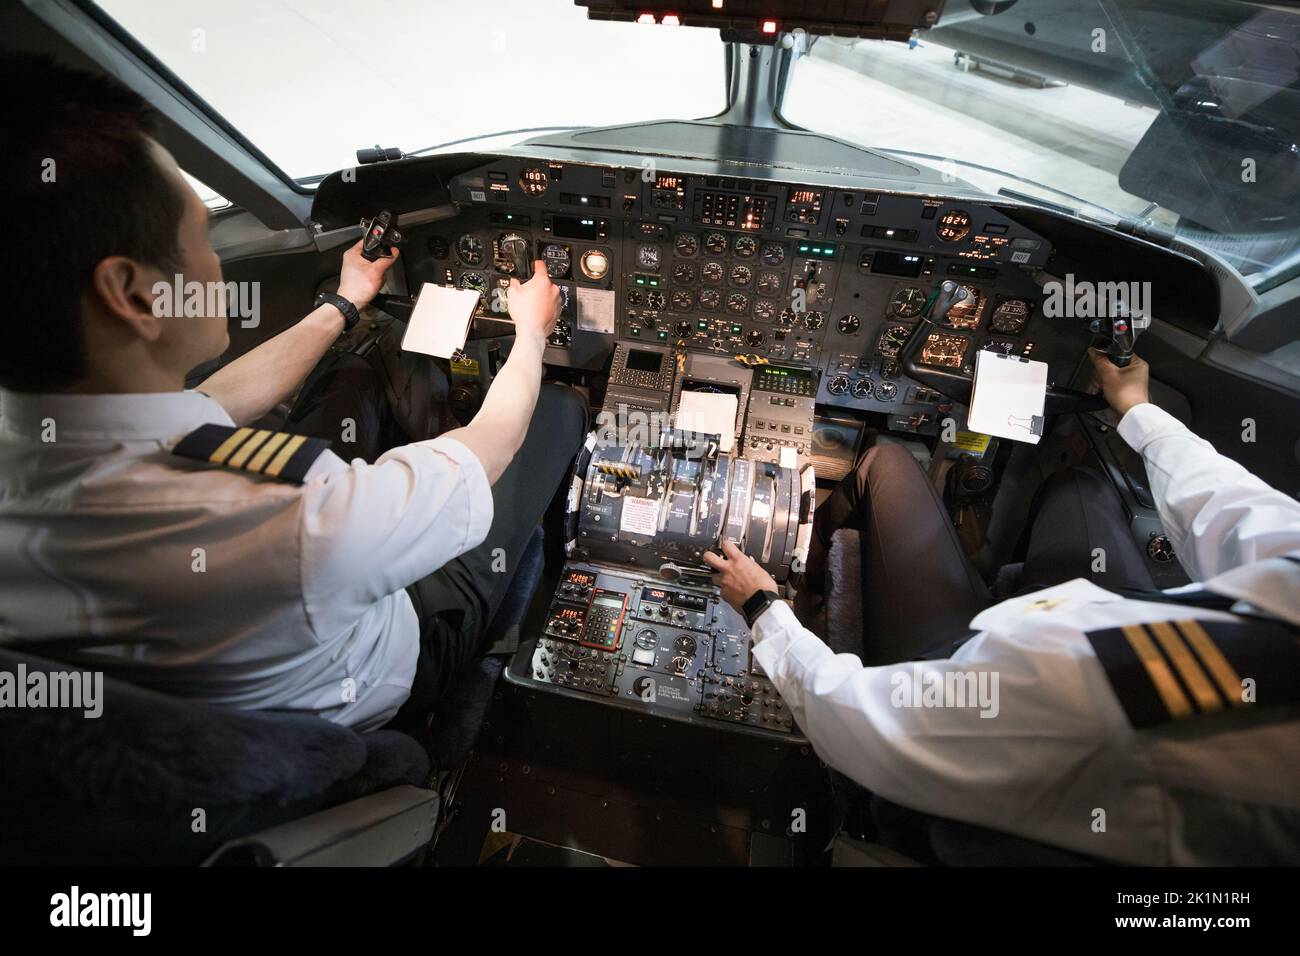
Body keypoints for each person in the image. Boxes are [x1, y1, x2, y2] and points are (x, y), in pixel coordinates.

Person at [0, 55, 586, 731]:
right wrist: (534, 335)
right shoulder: (293, 517)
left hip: (248, 661)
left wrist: (342, 302)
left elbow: (210, 404)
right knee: (552, 411)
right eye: (199, 237)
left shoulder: (52, 432)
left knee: (357, 362)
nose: (215, 263)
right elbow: (486, 449)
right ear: (133, 294)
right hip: (385, 667)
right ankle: (514, 614)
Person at [705, 351, 1300, 865]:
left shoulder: (1116, 690)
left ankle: (811, 585)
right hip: (1056, 654)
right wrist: (1136, 410)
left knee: (886, 465)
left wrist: (764, 608)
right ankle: (983, 574)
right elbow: (1243, 516)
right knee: (1079, 491)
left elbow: (860, 724)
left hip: (970, 700)